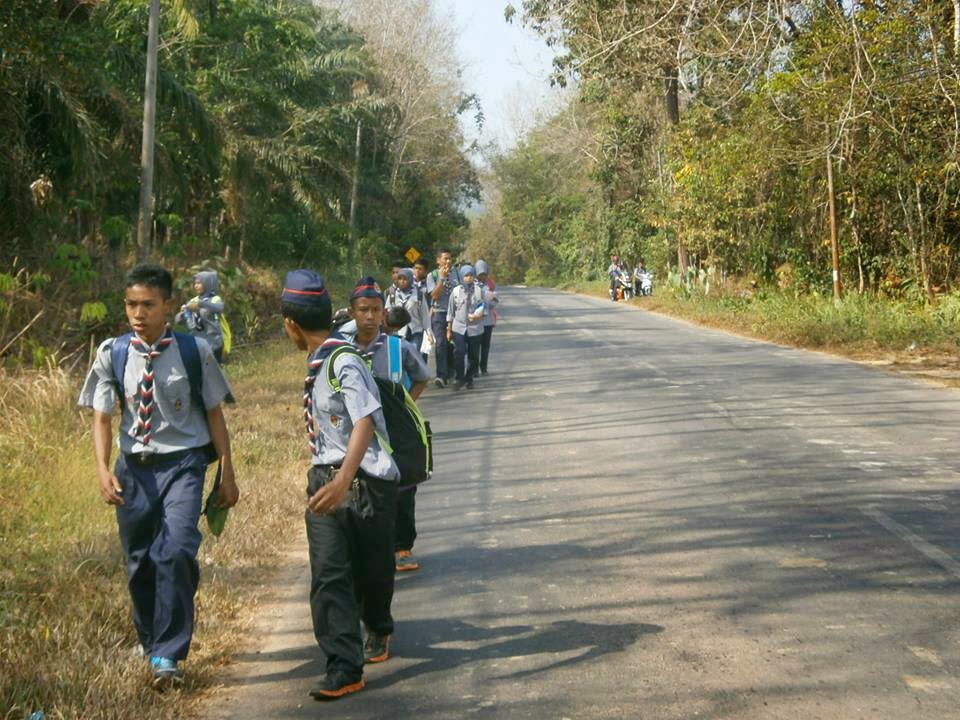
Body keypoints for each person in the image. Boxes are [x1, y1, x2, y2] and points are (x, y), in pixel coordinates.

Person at [77, 263, 238, 689]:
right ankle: (151, 641)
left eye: (148, 304)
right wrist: (101, 469)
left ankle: (169, 653)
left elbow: (214, 414)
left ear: (168, 305)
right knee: (140, 561)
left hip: (182, 465)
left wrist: (227, 472)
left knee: (177, 550)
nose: (138, 313)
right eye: (132, 304)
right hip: (133, 470)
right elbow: (102, 417)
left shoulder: (194, 352)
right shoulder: (112, 353)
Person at [281, 270, 399, 701]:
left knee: (372, 573)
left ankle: (379, 626)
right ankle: (344, 667)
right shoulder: (323, 358)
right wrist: (328, 481)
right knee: (329, 574)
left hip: (365, 481)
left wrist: (344, 481)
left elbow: (365, 420)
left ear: (291, 326)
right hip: (325, 477)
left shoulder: (343, 360)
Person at [446, 263, 485, 390]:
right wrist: (449, 328)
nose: (469, 278)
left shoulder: (479, 291)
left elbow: (484, 308)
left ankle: (469, 378)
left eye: (471, 275)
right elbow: (451, 311)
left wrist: (478, 316)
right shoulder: (456, 291)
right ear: (462, 277)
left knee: (474, 356)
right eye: (466, 276)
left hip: (475, 328)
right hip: (459, 327)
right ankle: (459, 378)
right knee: (459, 352)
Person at [176, 270, 226, 363]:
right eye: (195, 283)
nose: (196, 286)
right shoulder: (193, 300)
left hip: (214, 342)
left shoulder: (215, 299)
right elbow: (178, 321)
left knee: (213, 369)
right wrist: (183, 313)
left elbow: (219, 308)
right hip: (198, 342)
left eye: (199, 283)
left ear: (208, 284)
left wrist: (200, 304)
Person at [426, 250, 460, 387]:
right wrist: (441, 278)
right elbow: (434, 296)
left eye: (450, 258)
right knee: (440, 343)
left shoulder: (456, 274)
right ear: (438, 260)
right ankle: (441, 375)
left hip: (455, 314)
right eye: (445, 258)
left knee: (452, 344)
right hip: (439, 313)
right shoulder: (432, 276)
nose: (448, 261)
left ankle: (451, 371)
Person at [385, 267, 430, 357]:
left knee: (414, 355)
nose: (402, 281)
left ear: (410, 279)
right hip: (398, 331)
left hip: (415, 330)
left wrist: (429, 332)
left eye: (405, 279)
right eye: (400, 278)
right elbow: (387, 312)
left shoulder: (418, 294)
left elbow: (424, 315)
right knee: (399, 356)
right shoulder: (393, 294)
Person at [474, 259, 499, 376]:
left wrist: (490, 300)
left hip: (488, 321)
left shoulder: (490, 285)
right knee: (474, 346)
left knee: (485, 346)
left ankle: (483, 368)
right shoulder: (471, 285)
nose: (482, 277)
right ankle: (474, 369)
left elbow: (495, 301)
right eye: (480, 274)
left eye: (484, 274)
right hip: (476, 321)